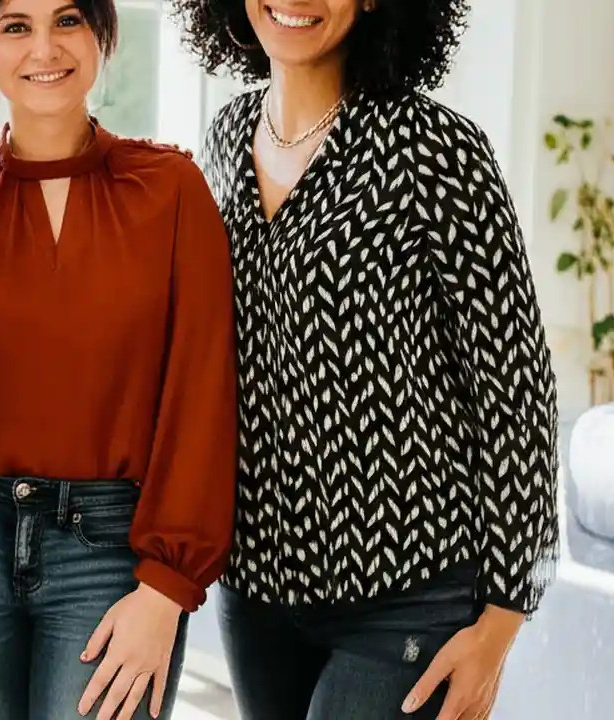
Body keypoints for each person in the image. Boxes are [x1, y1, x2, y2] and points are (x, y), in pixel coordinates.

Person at [173, 1, 560, 718]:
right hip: (254, 590)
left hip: (407, 592)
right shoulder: (225, 137)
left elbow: (517, 390)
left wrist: (505, 615)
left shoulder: (437, 150)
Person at [0, 1, 238, 719]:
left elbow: (201, 393)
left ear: (104, 38)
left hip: (112, 549)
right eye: (15, 26)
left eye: (69, 20)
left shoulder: (172, 189)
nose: (44, 47)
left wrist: (169, 583)